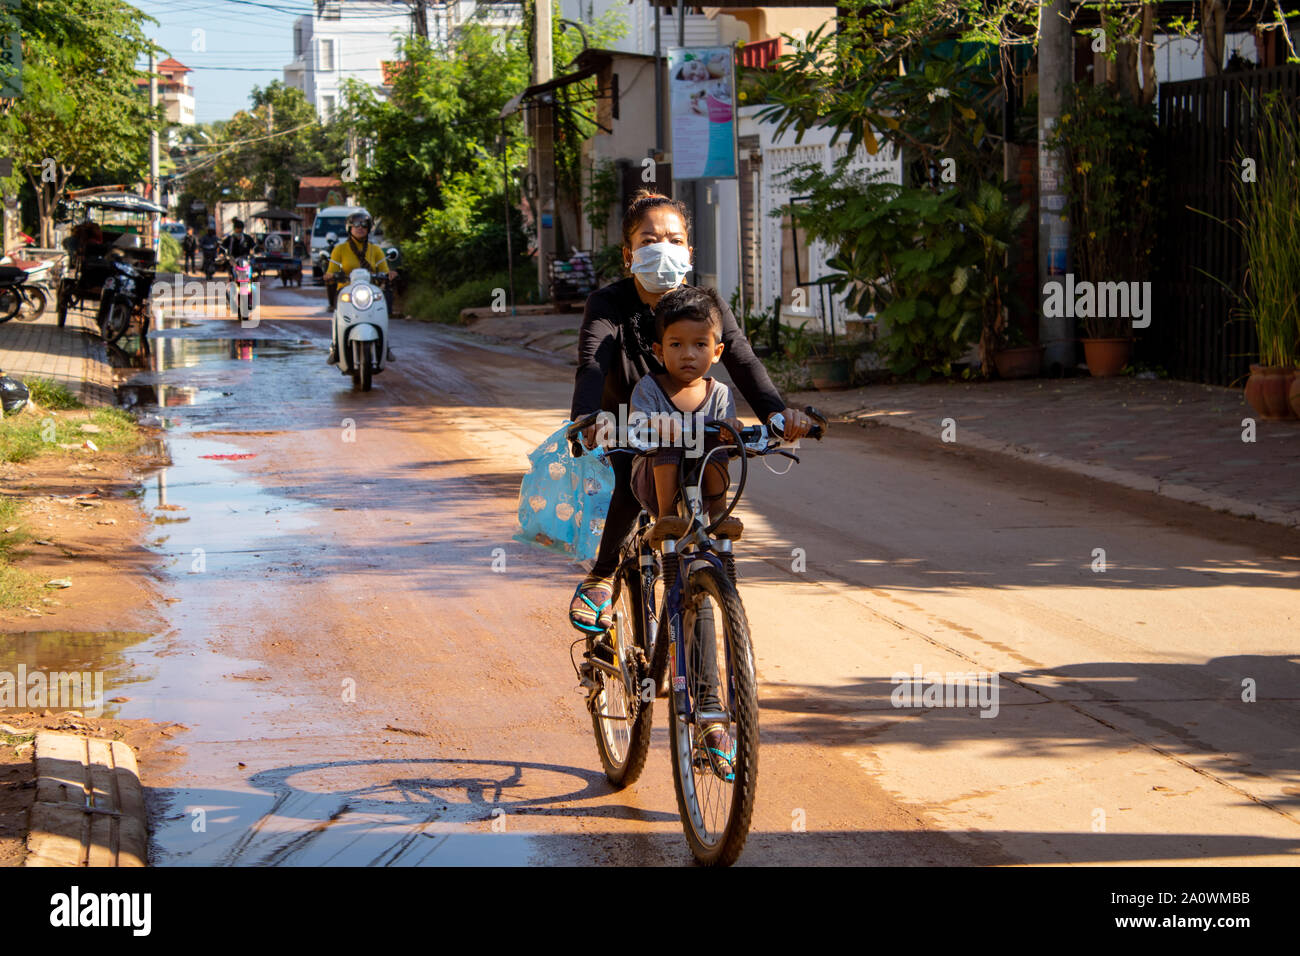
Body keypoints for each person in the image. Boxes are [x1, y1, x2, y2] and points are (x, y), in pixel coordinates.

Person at [568, 189, 814, 627]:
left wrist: (777, 414)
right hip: (629, 429)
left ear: (689, 251)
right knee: (629, 480)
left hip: (696, 427)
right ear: (628, 254)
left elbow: (741, 358)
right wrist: (586, 418)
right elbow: (591, 363)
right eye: (648, 240)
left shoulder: (708, 305)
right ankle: (602, 576)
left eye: (674, 239)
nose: (662, 248)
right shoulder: (607, 304)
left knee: (715, 462)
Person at [324, 212, 396, 365]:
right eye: (356, 225)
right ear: (349, 228)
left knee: (382, 310)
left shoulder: (375, 249)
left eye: (364, 225)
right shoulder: (339, 249)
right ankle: (335, 347)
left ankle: (386, 345)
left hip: (370, 291)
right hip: (346, 290)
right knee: (338, 316)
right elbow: (331, 270)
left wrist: (389, 274)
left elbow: (384, 269)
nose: (360, 228)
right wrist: (330, 275)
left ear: (369, 228)